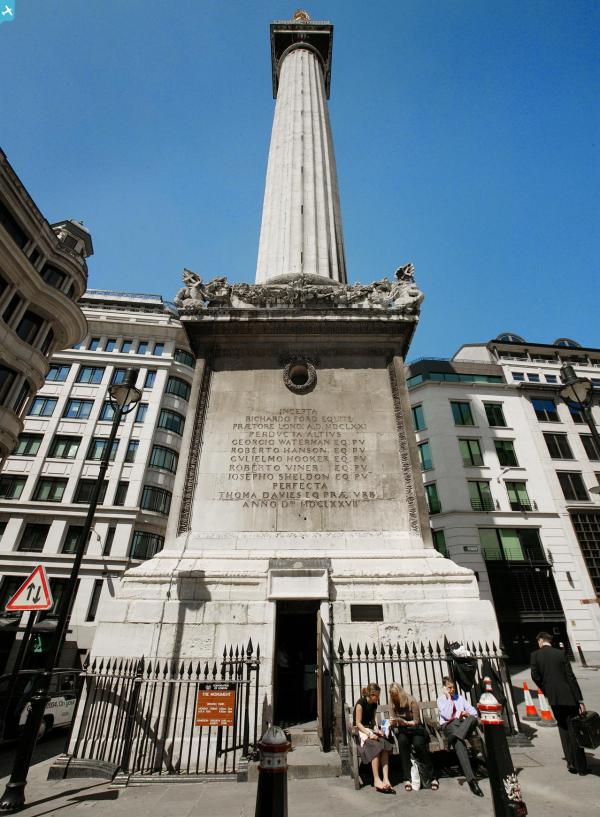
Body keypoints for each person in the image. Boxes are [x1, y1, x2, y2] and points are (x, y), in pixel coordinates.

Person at [530, 631, 587, 775]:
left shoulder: (535, 655)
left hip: (554, 697)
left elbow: (535, 676)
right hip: (569, 696)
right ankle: (581, 766)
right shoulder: (560, 653)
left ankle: (570, 762)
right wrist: (579, 699)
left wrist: (546, 689)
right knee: (574, 728)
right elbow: (570, 676)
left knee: (563, 728)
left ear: (541, 640)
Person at [437, 677, 484, 797]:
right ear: (444, 688)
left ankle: (454, 737)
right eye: (449, 688)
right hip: (450, 725)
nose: (452, 689)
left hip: (463, 726)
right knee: (459, 743)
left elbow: (473, 712)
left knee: (472, 718)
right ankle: (472, 781)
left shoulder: (460, 698)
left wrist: (466, 713)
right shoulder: (441, 700)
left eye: (453, 687)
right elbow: (447, 716)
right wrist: (450, 700)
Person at [388, 682, 438, 792]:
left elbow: (417, 721)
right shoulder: (392, 703)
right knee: (402, 742)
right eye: (392, 696)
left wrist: (405, 722)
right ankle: (407, 778)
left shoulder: (411, 701)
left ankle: (432, 777)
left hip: (415, 729)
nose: (394, 698)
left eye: (396, 695)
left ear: (400, 693)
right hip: (403, 730)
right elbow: (392, 718)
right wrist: (392, 723)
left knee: (418, 744)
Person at [354, 682, 395, 793]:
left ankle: (386, 779)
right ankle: (376, 780)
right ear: (372, 695)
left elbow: (373, 721)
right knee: (376, 746)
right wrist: (369, 734)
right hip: (361, 730)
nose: (378, 698)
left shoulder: (374, 704)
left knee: (385, 744)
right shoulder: (360, 703)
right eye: (377, 696)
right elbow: (358, 723)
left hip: (370, 730)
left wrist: (378, 729)